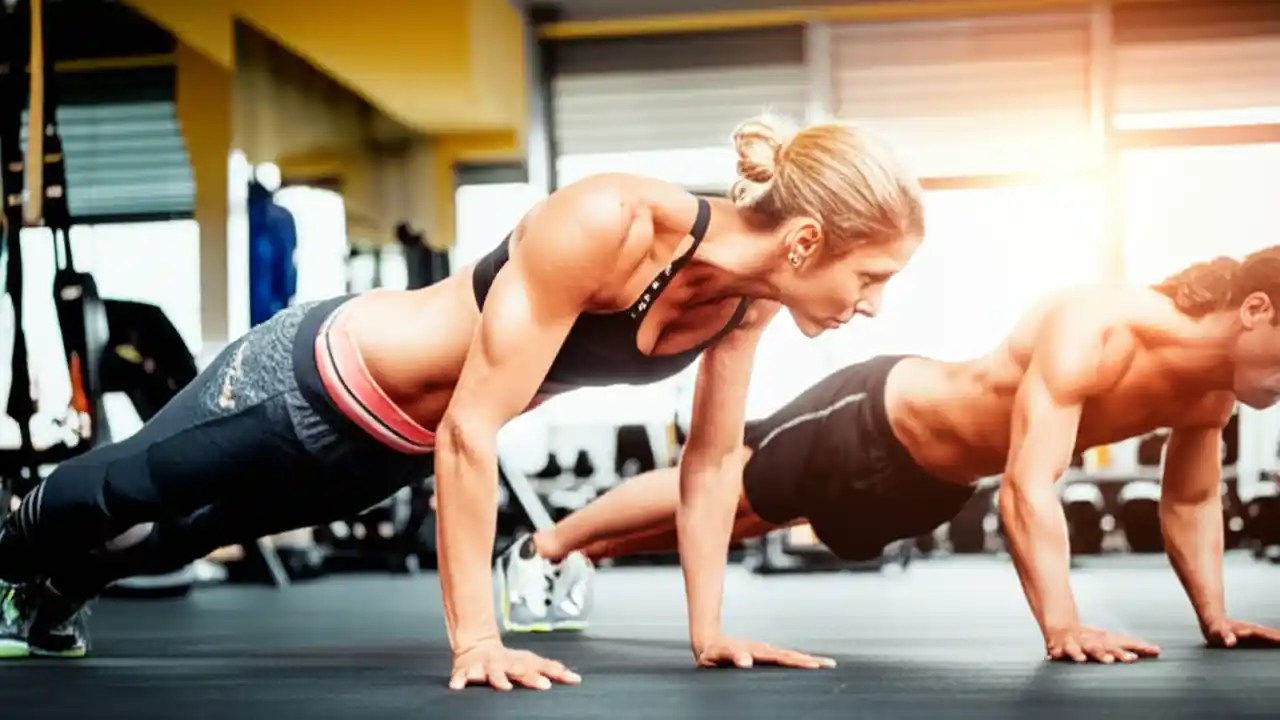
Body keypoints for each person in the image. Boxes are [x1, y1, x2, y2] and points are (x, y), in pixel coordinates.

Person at [0, 113, 926, 688]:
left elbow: (715, 462)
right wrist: (476, 638)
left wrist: (710, 630)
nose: (874, 305)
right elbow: (473, 428)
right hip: (317, 375)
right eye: (872, 275)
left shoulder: (744, 306)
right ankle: (10, 556)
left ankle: (48, 593)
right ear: (807, 241)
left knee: (190, 533)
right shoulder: (611, 223)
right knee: (130, 488)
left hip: (387, 445)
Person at [504, 247, 1280, 667]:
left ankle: (588, 551)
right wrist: (1064, 625)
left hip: (928, 487)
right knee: (724, 491)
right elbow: (1027, 485)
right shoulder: (1101, 326)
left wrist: (1214, 617)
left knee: (748, 520)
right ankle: (543, 549)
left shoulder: (1207, 397)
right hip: (878, 418)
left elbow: (1189, 503)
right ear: (1255, 310)